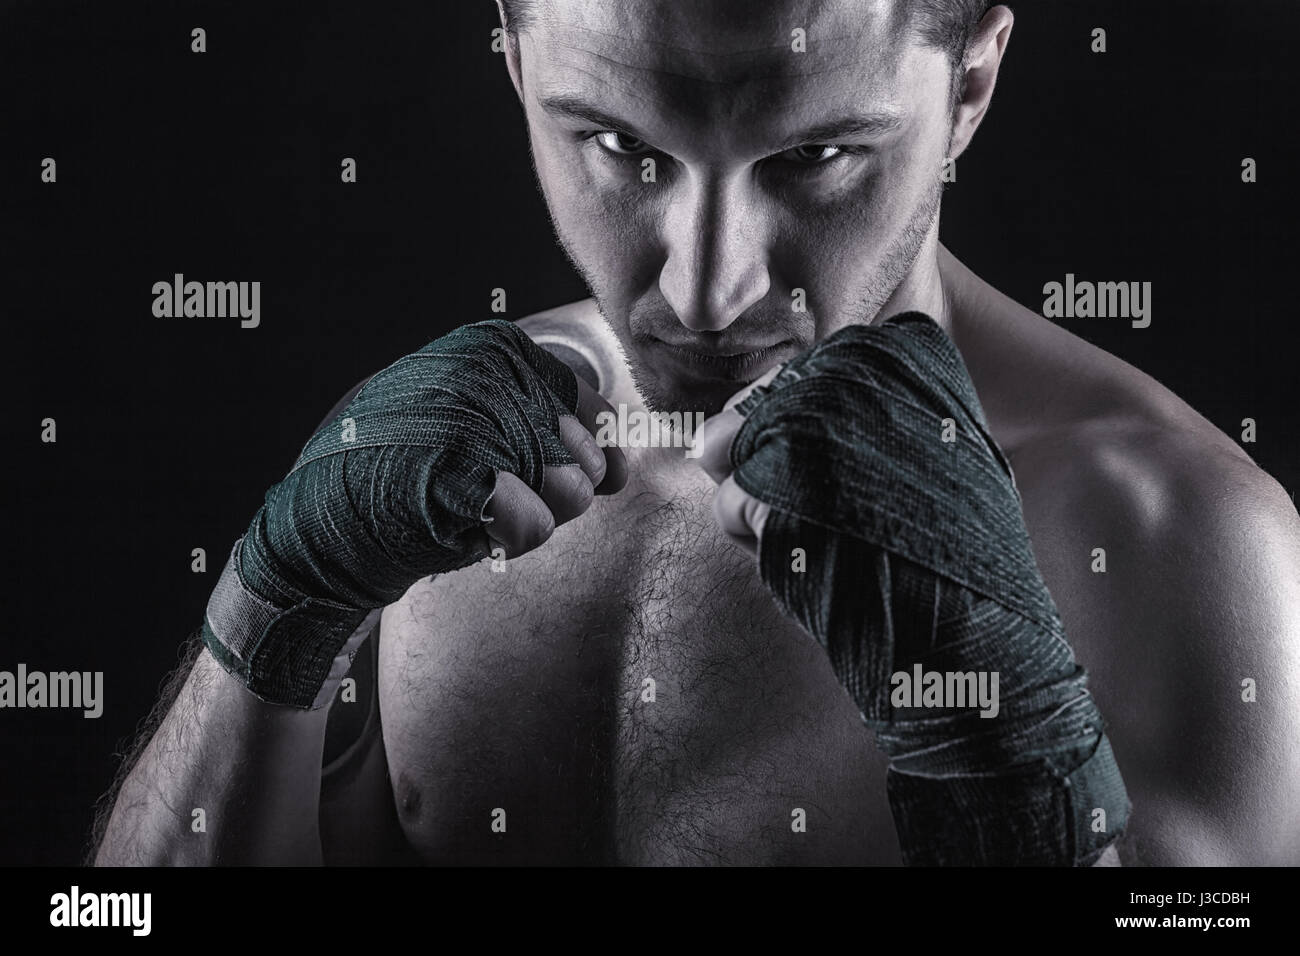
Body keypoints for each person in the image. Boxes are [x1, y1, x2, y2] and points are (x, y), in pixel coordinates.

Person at [91, 0, 1300, 866]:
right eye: (620, 146)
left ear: (968, 86)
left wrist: (1020, 796)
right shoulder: (435, 461)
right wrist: (271, 610)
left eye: (816, 156)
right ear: (514, 59)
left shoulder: (1175, 535)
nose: (709, 291)